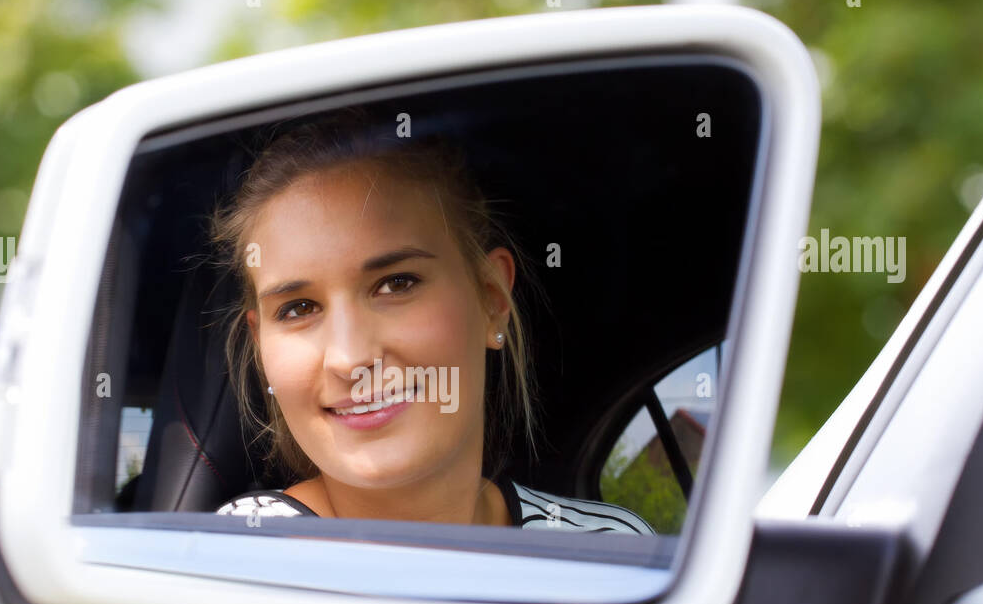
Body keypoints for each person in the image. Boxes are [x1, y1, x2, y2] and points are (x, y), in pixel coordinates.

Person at [209, 107, 654, 536]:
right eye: (298, 309)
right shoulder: (243, 557)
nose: (350, 360)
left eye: (396, 283)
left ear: (491, 299)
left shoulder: (613, 547)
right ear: (261, 345)